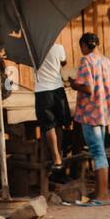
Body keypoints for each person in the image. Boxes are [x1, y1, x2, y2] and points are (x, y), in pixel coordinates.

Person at [70, 32, 110, 205]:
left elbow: (88, 88)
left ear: (84, 45)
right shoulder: (106, 61)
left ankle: (103, 196)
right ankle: (99, 193)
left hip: (90, 113)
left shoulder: (86, 60)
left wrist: (74, 84)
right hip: (103, 111)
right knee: (100, 152)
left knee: (98, 153)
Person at [33, 40, 71, 179]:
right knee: (59, 124)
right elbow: (64, 62)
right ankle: (59, 155)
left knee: (49, 125)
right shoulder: (59, 47)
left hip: (43, 91)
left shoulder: (35, 50)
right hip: (58, 89)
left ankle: (56, 158)